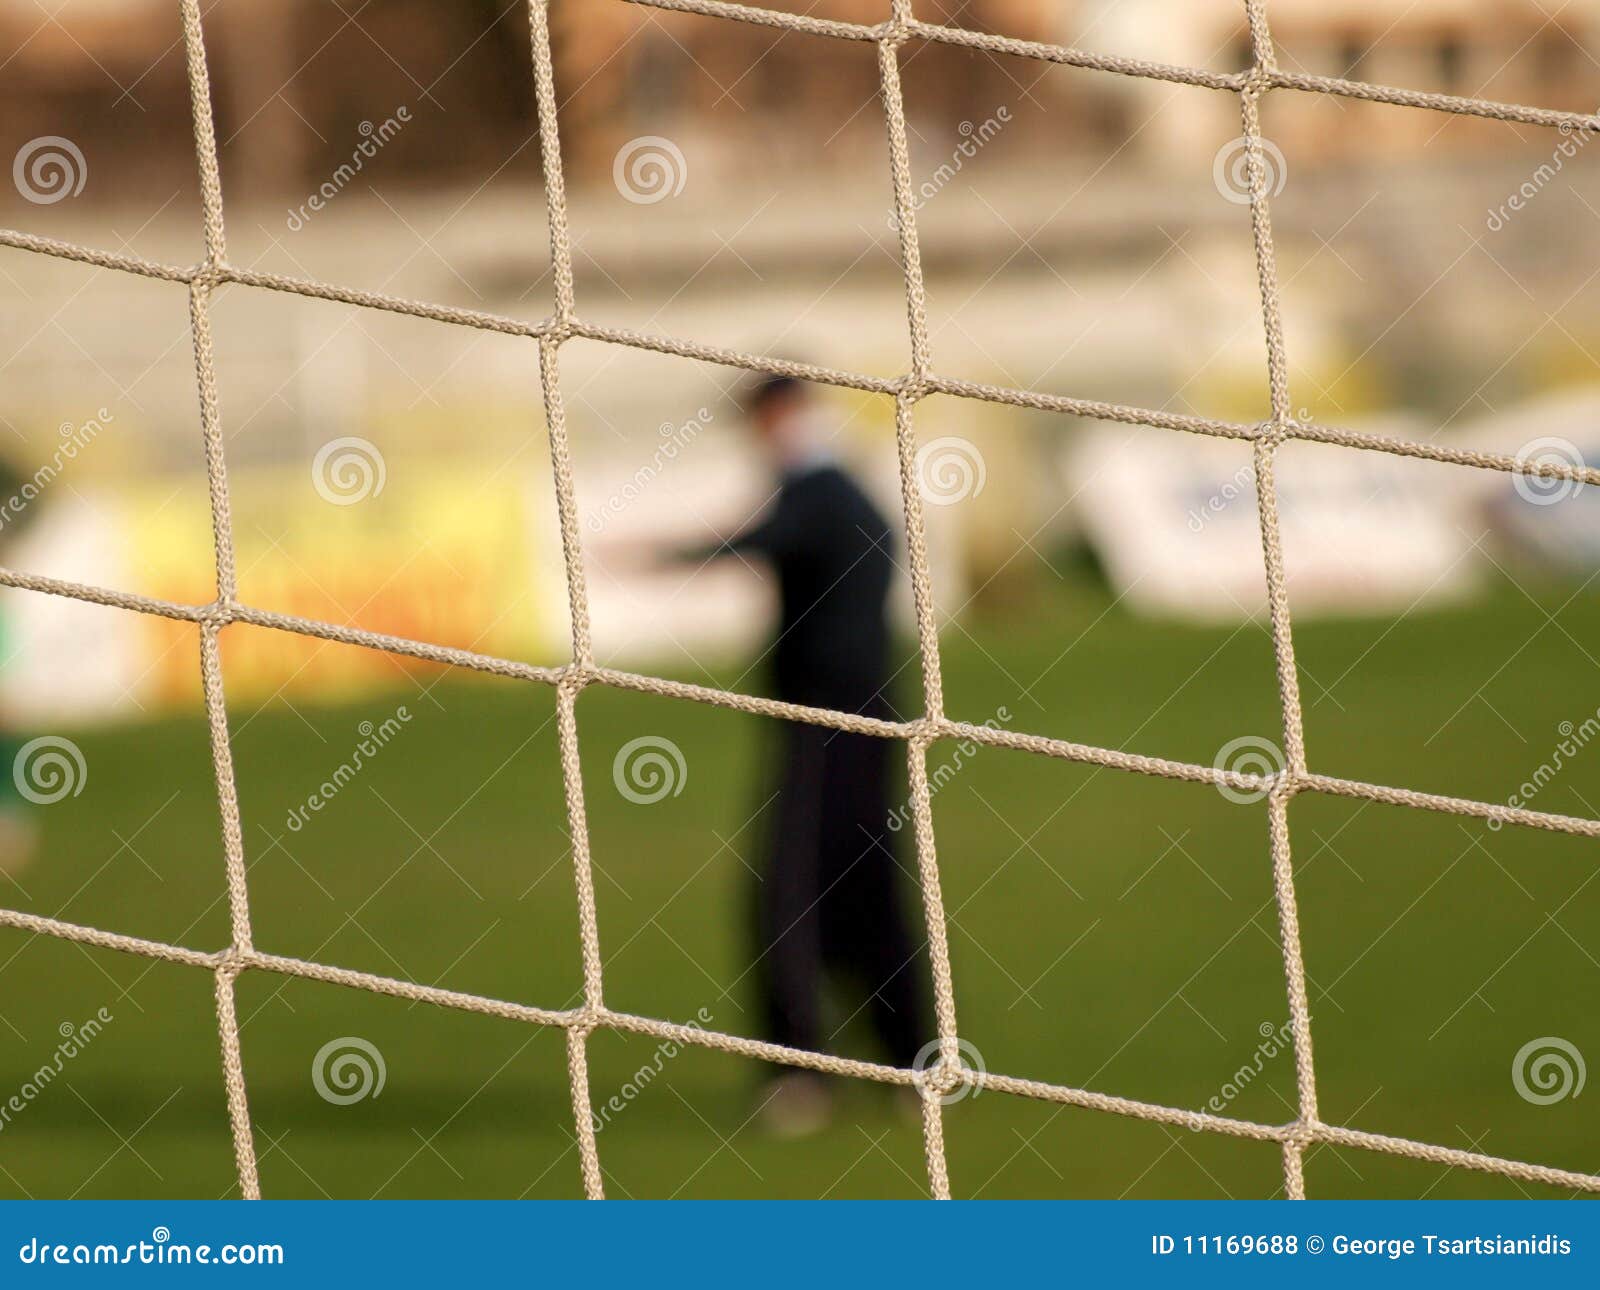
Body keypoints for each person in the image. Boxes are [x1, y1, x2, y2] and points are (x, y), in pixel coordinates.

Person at [680, 374, 930, 1136]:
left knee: (788, 892)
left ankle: (801, 1073)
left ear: (779, 418)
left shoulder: (822, 491)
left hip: (826, 725)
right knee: (864, 887)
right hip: (866, 720)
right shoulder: (842, 490)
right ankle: (907, 1064)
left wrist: (668, 553)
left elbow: (770, 537)